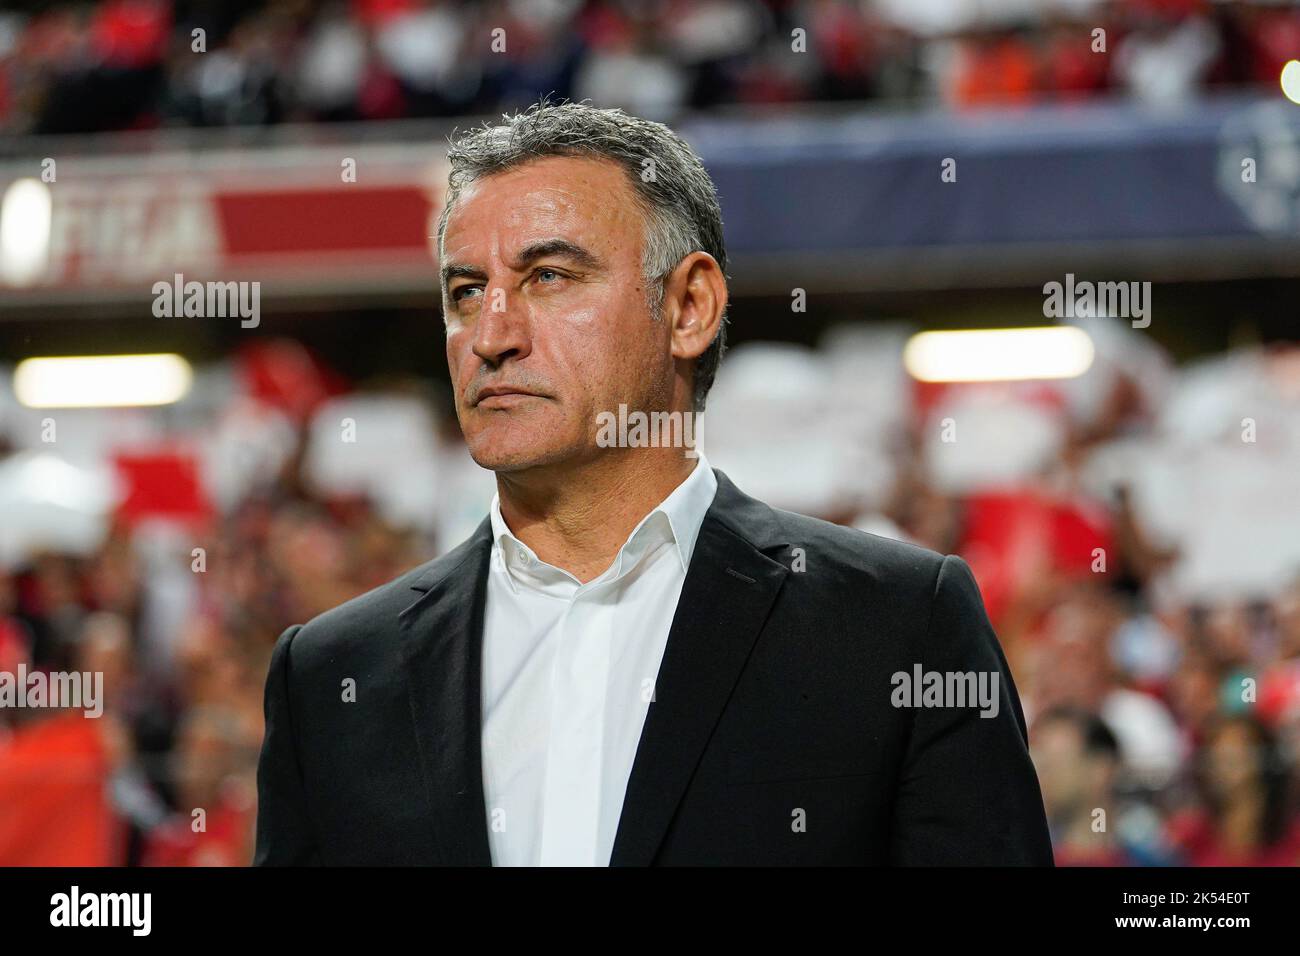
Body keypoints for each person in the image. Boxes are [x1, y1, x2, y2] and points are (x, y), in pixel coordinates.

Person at [254, 99, 1052, 866]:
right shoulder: (330, 676)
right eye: (466, 291)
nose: (490, 335)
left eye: (550, 277)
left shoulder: (898, 625)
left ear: (690, 307)